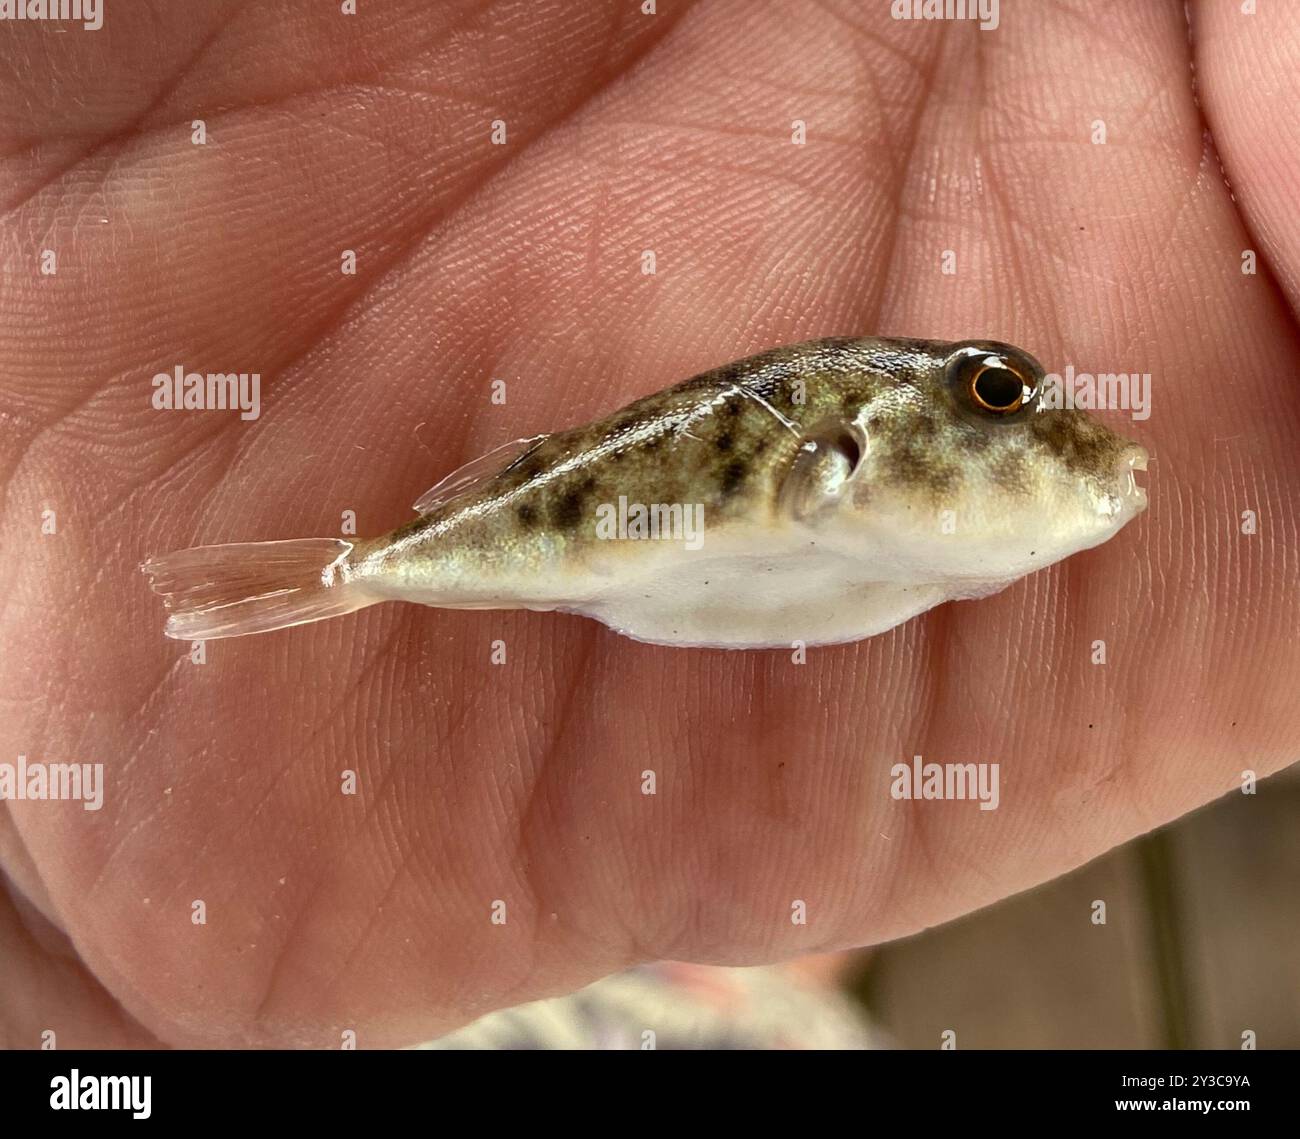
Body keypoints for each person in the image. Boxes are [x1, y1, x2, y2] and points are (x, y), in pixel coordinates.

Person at [1, 1, 1296, 1049]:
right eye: (1002, 396)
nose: (1058, 428)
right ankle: (759, 981)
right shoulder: (837, 456)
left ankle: (750, 977)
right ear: (849, 456)